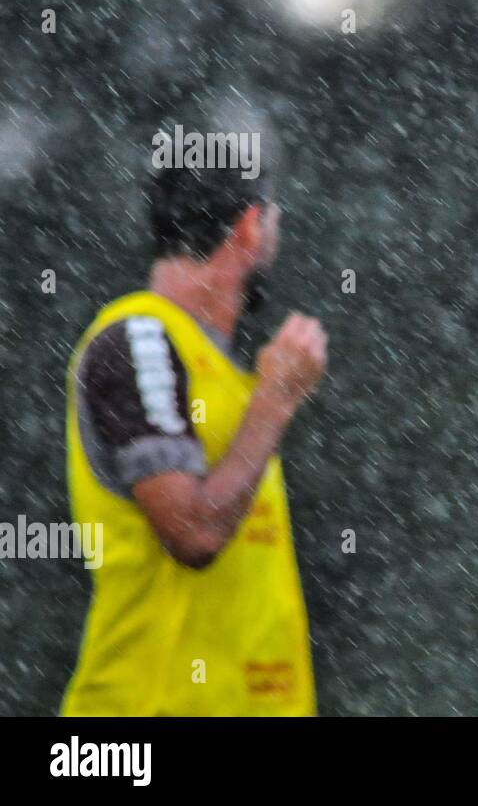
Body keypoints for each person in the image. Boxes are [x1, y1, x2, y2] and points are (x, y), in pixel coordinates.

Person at [62, 158, 327, 715]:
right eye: (275, 222)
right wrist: (275, 401)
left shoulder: (227, 376)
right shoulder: (137, 338)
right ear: (250, 227)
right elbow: (194, 533)